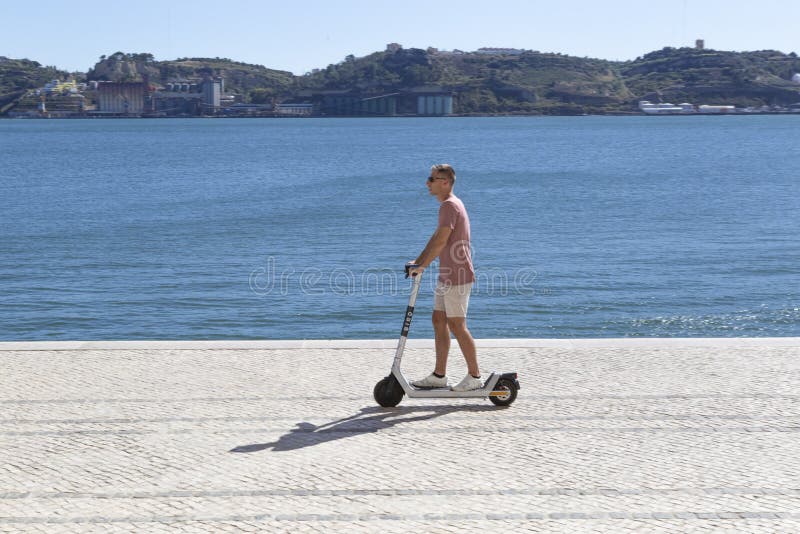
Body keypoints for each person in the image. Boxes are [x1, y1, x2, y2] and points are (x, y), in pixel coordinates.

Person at [407, 164, 481, 392]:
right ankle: (439, 375)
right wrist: (418, 262)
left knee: (457, 325)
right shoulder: (447, 206)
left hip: (457, 276)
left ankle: (475, 377)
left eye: (432, 179)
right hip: (447, 275)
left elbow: (441, 242)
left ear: (445, 182)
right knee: (439, 320)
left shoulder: (449, 205)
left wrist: (422, 266)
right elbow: (437, 237)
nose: (427, 183)